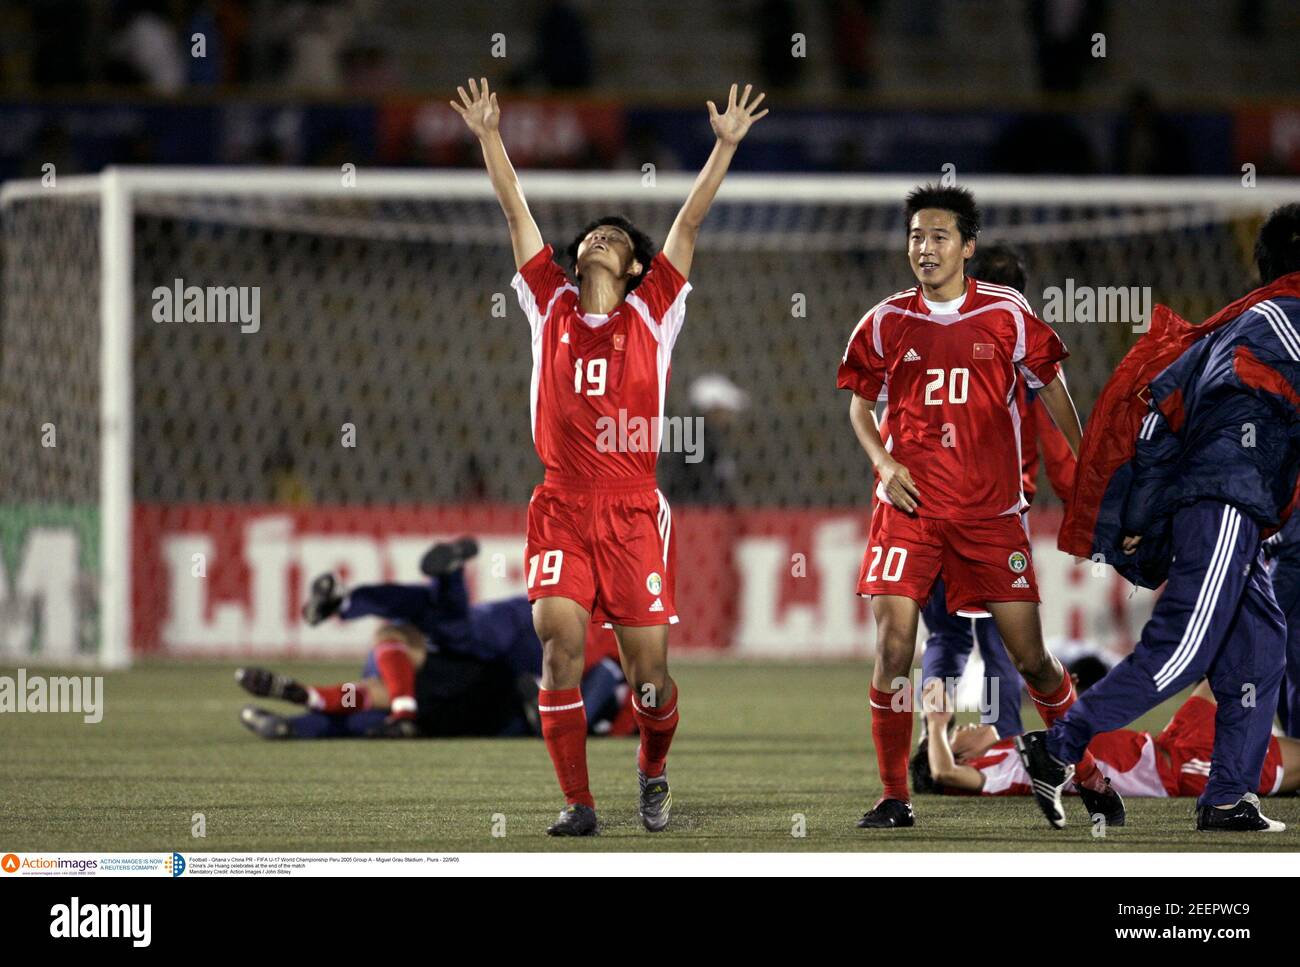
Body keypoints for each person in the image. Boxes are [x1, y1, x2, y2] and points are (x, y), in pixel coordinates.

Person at [451, 77, 767, 835]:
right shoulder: (547, 302)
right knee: (558, 646)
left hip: (631, 508)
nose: (599, 237)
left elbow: (688, 220)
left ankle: (652, 768)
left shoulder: (655, 309)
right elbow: (515, 211)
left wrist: (723, 146)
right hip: (560, 502)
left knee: (649, 681)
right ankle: (579, 802)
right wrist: (490, 136)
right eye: (592, 233)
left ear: (633, 268)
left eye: (616, 237)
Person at [837, 184, 1122, 829]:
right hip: (909, 509)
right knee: (892, 647)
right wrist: (884, 464)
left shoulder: (1007, 313)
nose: (925, 248)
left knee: (1031, 659)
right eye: (916, 237)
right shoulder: (884, 321)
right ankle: (892, 796)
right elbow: (859, 405)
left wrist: (1085, 467)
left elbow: (1052, 388)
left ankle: (1090, 773)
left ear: (967, 247)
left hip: (992, 514)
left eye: (939, 237)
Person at [1022, 203, 1300, 832]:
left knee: (1260, 652)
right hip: (1229, 498)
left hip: (1230, 505)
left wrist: (1146, 510)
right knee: (1183, 649)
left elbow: (1157, 417)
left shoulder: (1236, 323)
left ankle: (1229, 797)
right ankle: (1059, 744)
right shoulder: (1283, 315)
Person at [236, 538, 633, 740]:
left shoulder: (601, 632)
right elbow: (608, 699)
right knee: (385, 692)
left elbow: (604, 692)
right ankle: (302, 721)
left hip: (504, 669)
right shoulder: (614, 637)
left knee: (412, 629)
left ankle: (352, 608)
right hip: (500, 690)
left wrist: (547, 702)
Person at [917, 244, 1076, 738]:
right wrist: (1087, 503)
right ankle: (1003, 741)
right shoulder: (1024, 351)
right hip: (997, 515)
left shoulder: (925, 339)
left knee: (944, 634)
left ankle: (932, 739)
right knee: (1004, 641)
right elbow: (1059, 451)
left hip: (926, 508)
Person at [913, 672, 1299, 800]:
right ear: (959, 757)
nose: (958, 725)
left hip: (1170, 739)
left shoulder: (1010, 749)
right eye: (950, 737)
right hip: (1185, 767)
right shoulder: (1003, 770)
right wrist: (934, 721)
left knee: (1239, 660)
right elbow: (945, 775)